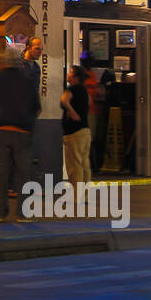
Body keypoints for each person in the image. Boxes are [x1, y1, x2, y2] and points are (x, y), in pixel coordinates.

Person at [0, 37, 40, 223]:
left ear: (4, 61)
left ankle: (0, 212)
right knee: (23, 173)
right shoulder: (28, 81)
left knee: (1, 174)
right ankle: (22, 213)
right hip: (22, 131)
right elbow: (36, 107)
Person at [61, 65, 92, 207]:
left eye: (70, 73)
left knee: (74, 166)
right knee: (84, 164)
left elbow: (64, 100)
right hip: (85, 131)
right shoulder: (84, 91)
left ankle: (76, 197)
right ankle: (85, 195)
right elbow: (90, 103)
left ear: (75, 77)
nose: (68, 75)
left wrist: (71, 111)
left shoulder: (72, 89)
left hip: (73, 132)